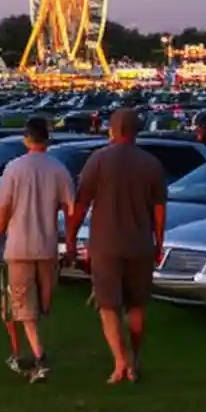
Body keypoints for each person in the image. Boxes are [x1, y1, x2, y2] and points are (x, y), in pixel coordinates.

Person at [65, 108, 166, 385]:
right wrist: (159, 241)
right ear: (136, 131)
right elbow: (159, 209)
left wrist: (71, 238)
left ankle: (120, 363)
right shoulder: (151, 164)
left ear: (112, 130)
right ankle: (135, 359)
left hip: (106, 246)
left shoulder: (98, 160)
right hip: (140, 245)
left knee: (108, 307)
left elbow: (82, 204)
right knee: (136, 306)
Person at [0, 117, 73, 384]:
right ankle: (34, 353)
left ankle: (39, 358)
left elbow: (4, 211)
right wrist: (68, 244)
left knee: (23, 307)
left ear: (26, 139)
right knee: (42, 305)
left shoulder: (14, 168)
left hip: (19, 246)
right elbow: (70, 209)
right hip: (46, 246)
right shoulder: (59, 169)